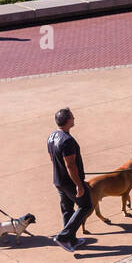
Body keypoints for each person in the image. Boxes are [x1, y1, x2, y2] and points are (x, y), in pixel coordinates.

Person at [47, 108, 92, 252]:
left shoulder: (52, 136)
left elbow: (52, 158)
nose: (74, 119)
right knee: (85, 206)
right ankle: (64, 236)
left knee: (67, 209)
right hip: (70, 182)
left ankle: (70, 240)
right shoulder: (67, 141)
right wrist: (79, 185)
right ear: (67, 121)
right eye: (72, 117)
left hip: (58, 180)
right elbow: (70, 165)